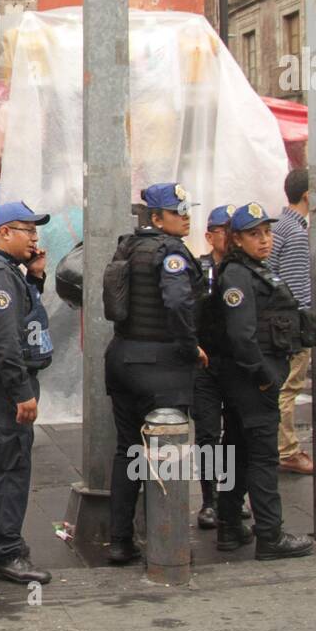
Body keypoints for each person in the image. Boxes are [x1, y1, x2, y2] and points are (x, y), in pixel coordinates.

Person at [103, 183, 207, 564]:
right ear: (157, 218)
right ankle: (168, 543)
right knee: (167, 452)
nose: (186, 217)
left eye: (185, 210)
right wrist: (188, 345)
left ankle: (120, 540)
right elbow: (179, 300)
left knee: (127, 449)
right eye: (178, 212)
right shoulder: (171, 252)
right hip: (159, 366)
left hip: (123, 359)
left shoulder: (128, 246)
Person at [214, 203, 314, 560]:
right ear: (237, 239)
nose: (265, 240)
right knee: (261, 456)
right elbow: (242, 335)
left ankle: (229, 525)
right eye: (255, 234)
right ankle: (270, 536)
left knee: (236, 452)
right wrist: (264, 378)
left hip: (250, 377)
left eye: (268, 232)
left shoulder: (251, 270)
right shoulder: (238, 275)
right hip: (252, 379)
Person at [0, 200, 54, 585]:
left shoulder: (3, 271)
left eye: (35, 231)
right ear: (4, 233)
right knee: (10, 467)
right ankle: (5, 550)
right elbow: (5, 340)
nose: (34, 238)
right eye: (27, 231)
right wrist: (21, 392)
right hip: (6, 385)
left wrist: (34, 277)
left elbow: (20, 317)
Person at [192, 204, 241, 530]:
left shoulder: (247, 269)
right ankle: (210, 500)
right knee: (208, 433)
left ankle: (233, 497)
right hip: (206, 364)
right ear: (210, 235)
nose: (231, 236)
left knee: (237, 433)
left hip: (238, 364)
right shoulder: (199, 269)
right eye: (224, 230)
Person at [266, 169, 315, 475]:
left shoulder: (280, 226)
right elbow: (296, 290)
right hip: (289, 327)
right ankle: (287, 450)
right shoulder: (296, 233)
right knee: (289, 387)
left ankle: (282, 446)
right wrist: (303, 330)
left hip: (276, 323)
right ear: (308, 196)